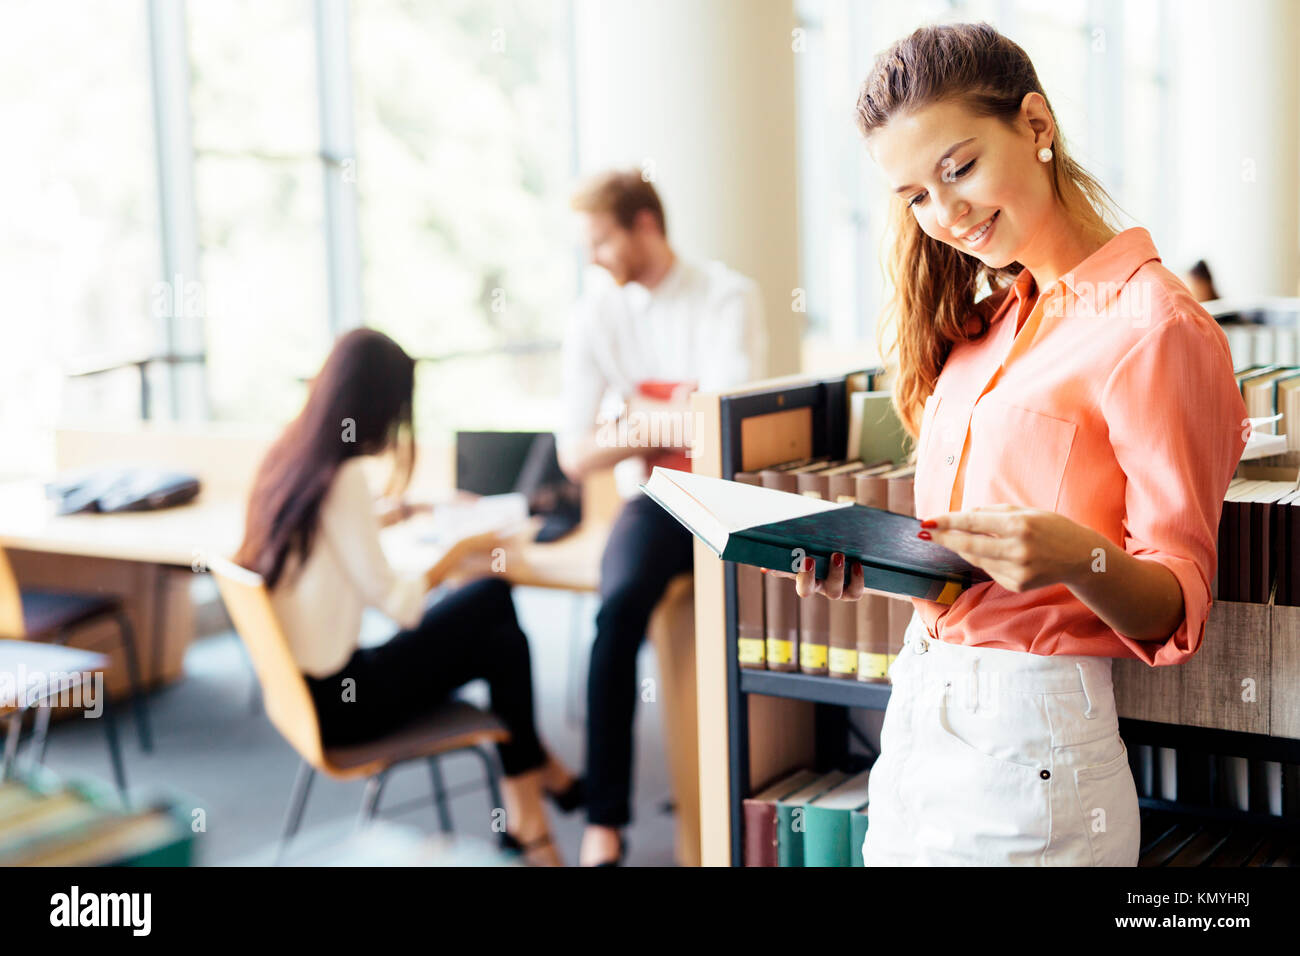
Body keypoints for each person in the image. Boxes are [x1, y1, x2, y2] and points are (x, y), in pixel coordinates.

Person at [788, 23, 1247, 865]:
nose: (945, 214)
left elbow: (1178, 605)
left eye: (958, 168)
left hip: (1036, 754)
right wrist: (881, 567)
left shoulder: (1156, 328)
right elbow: (968, 578)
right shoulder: (982, 328)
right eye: (915, 196)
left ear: (1036, 125)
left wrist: (1077, 557)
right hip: (918, 719)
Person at [234, 328, 581, 866]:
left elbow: (334, 532)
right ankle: (535, 797)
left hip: (312, 694)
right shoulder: (345, 477)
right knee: (493, 600)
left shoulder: (289, 457)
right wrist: (465, 543)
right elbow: (401, 604)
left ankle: (533, 812)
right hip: (347, 707)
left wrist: (407, 510)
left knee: (500, 636)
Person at [559, 170, 767, 865]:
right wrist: (669, 415)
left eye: (601, 242)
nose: (593, 259)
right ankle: (604, 821)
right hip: (653, 499)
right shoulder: (595, 317)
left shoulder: (726, 296)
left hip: (723, 493)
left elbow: (721, 425)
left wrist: (630, 418)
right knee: (617, 609)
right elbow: (572, 454)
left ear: (644, 224)